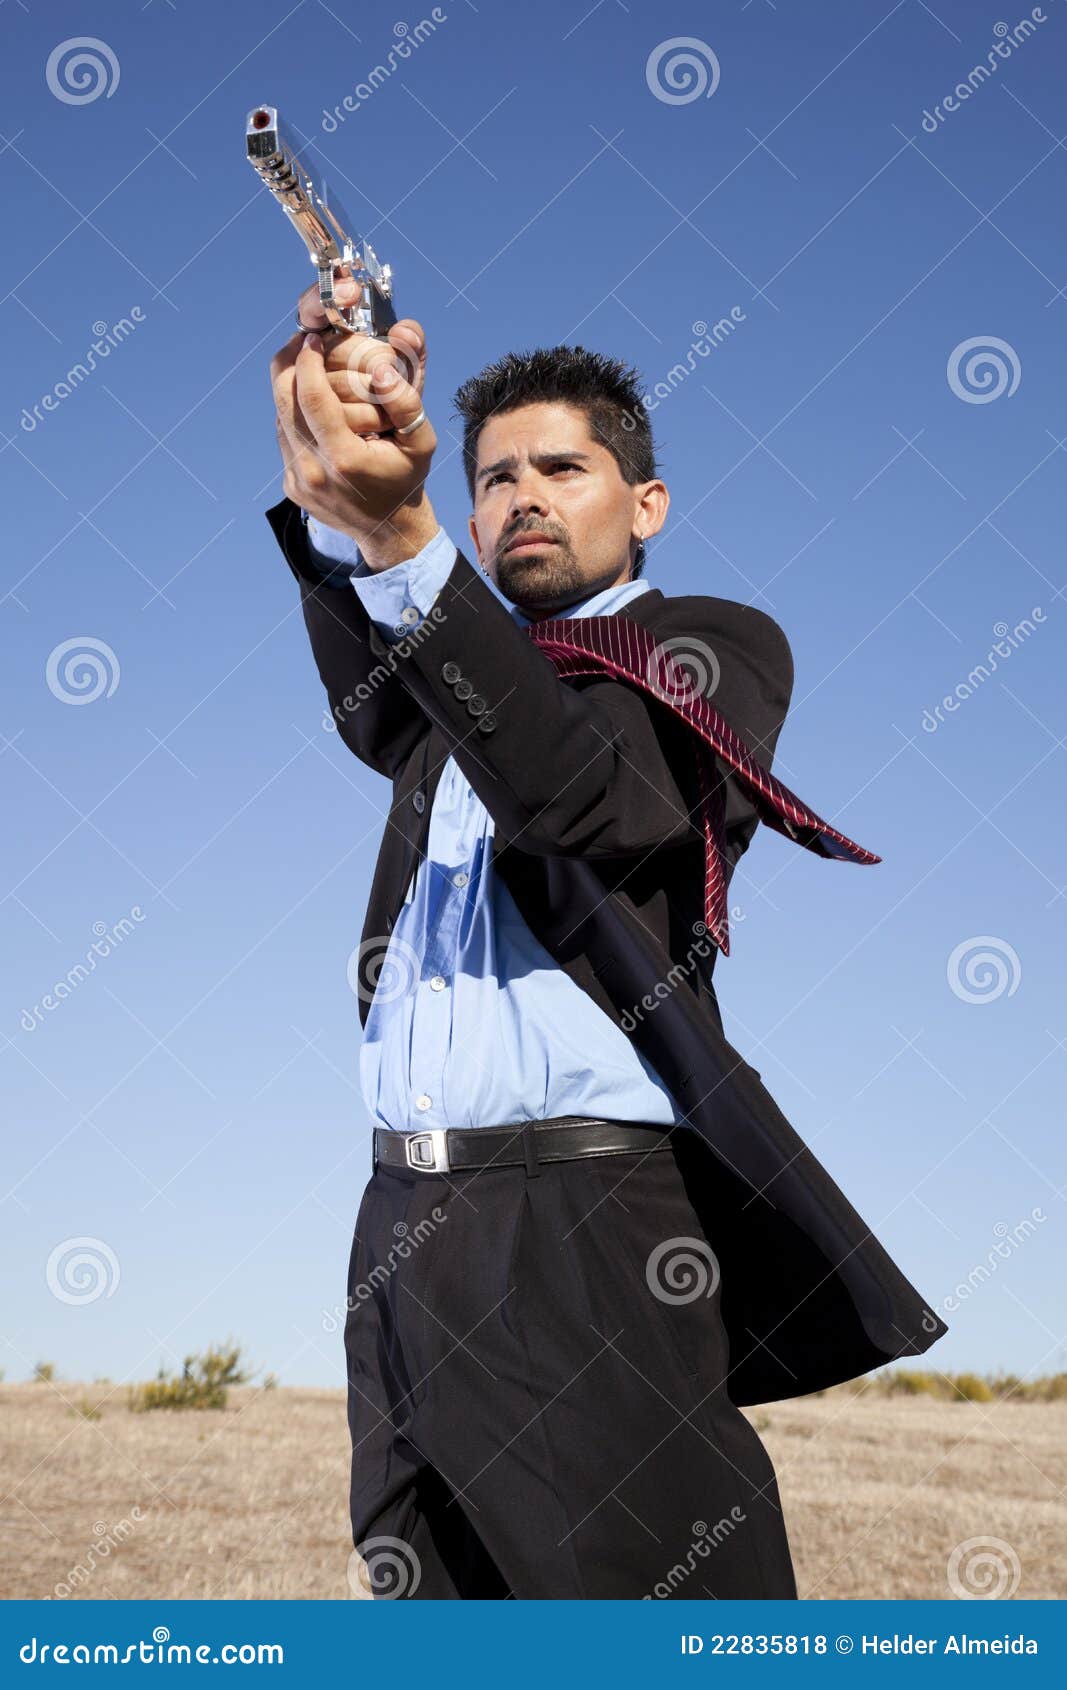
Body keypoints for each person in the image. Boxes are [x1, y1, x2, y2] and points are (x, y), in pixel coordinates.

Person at [266, 272, 945, 1600]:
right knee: (442, 1619)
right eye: (490, 474)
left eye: (561, 467)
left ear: (645, 505)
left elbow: (591, 793)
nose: (520, 491)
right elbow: (379, 693)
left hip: (581, 1220)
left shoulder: (704, 645)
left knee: (655, 1622)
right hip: (403, 1222)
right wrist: (326, 463)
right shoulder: (451, 693)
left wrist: (402, 539)